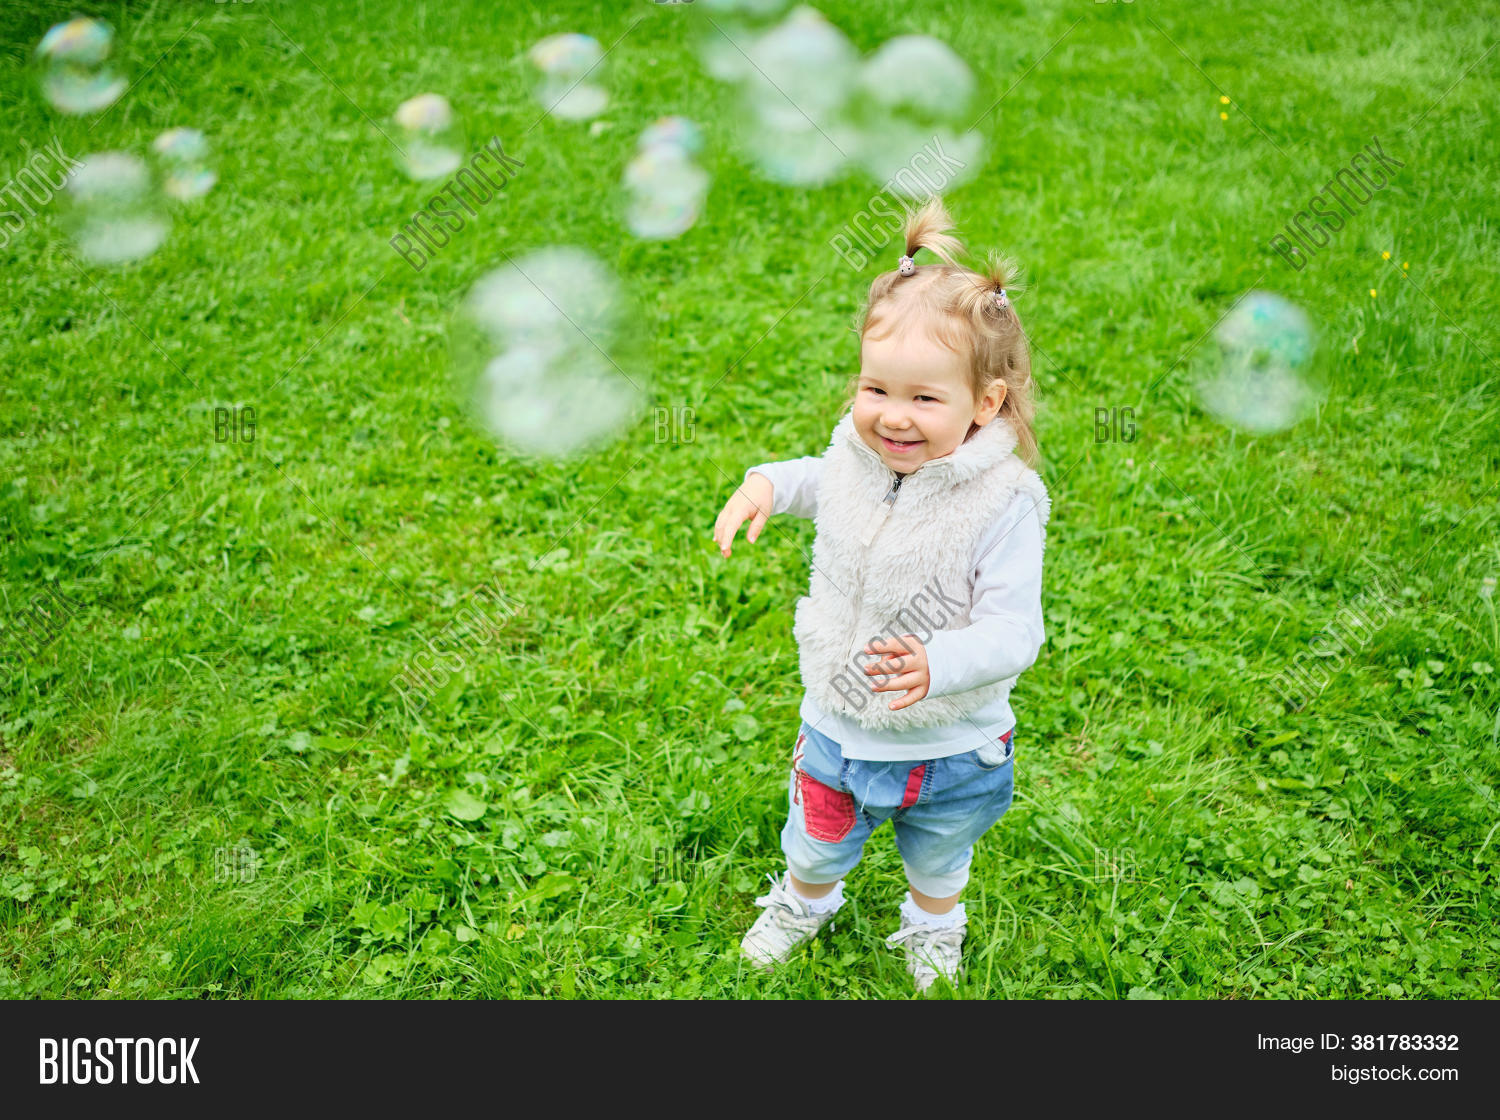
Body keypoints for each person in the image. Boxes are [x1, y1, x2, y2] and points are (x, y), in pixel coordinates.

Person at [711, 196, 1051, 994]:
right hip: (837, 719)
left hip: (950, 741)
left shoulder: (1004, 504)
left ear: (986, 404)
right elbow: (819, 477)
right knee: (816, 837)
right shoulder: (855, 456)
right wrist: (766, 483)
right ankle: (804, 902)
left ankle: (935, 923)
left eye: (925, 399)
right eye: (876, 389)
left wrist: (941, 662)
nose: (892, 418)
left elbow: (1015, 630)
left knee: (940, 852)